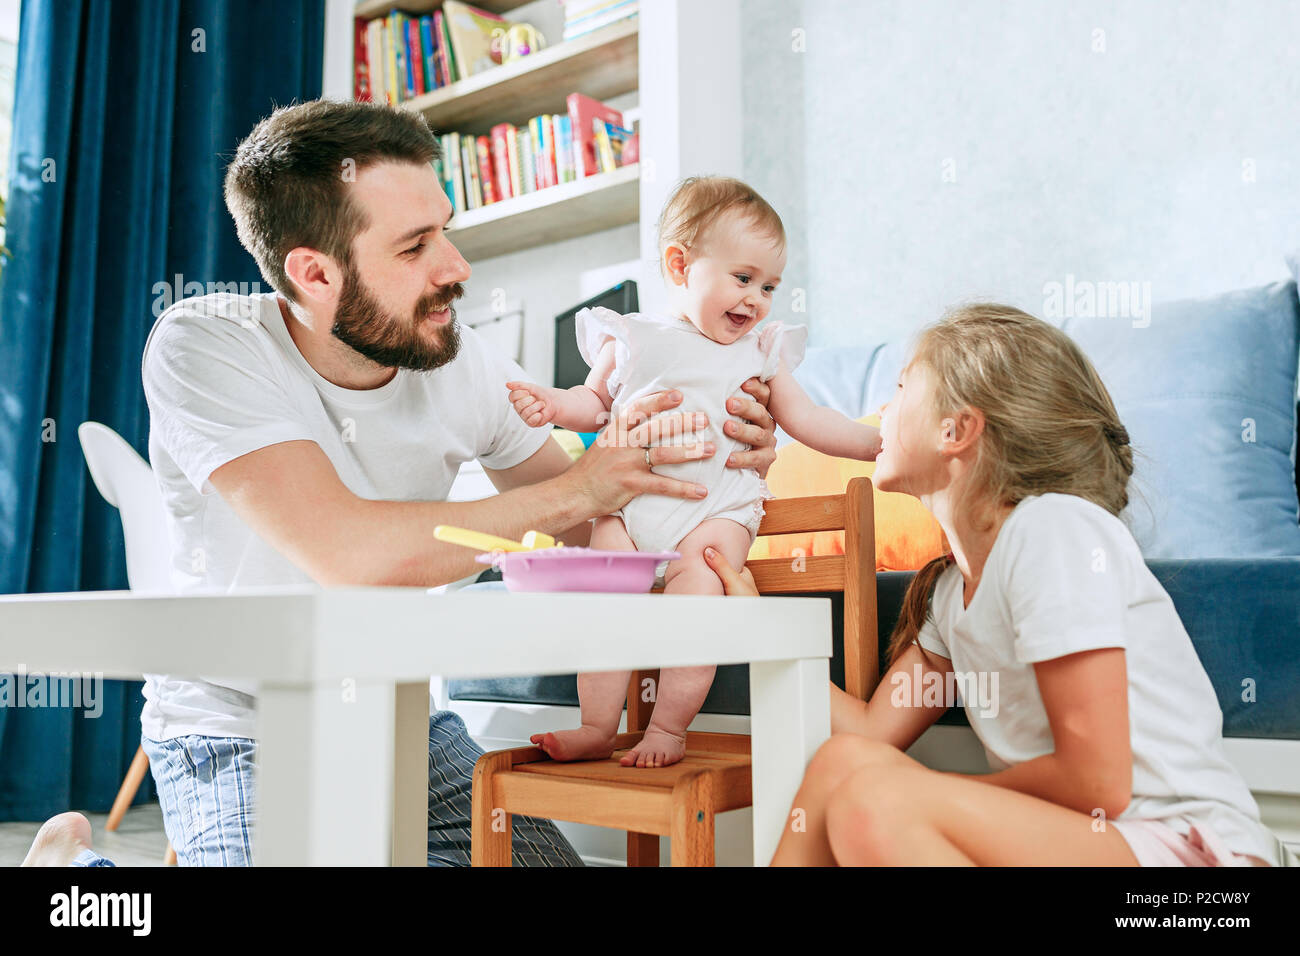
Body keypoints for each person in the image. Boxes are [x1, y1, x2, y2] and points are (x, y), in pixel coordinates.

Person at [25, 99, 779, 867]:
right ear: (314, 273)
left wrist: (716, 462)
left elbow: (589, 526)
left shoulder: (462, 358)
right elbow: (350, 553)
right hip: (237, 731)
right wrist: (583, 487)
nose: (457, 267)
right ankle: (72, 876)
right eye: (416, 247)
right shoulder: (206, 344)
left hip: (402, 721)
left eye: (445, 229)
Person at [713, 305, 1290, 867]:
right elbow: (868, 733)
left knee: (872, 800)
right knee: (843, 764)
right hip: (1085, 843)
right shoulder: (947, 595)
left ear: (957, 430)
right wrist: (763, 634)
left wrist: (924, 802)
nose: (881, 411)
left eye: (901, 388)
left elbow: (1098, 783)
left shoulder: (1052, 530)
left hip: (1191, 860)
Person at [507, 176, 882, 769]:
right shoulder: (633, 336)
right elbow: (590, 401)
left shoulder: (764, 348)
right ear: (681, 265)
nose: (756, 298)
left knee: (700, 596)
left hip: (715, 509)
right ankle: (598, 726)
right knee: (604, 602)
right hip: (630, 509)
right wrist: (551, 405)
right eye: (743, 278)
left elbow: (807, 418)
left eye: (769, 286)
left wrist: (877, 444)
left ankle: (668, 730)